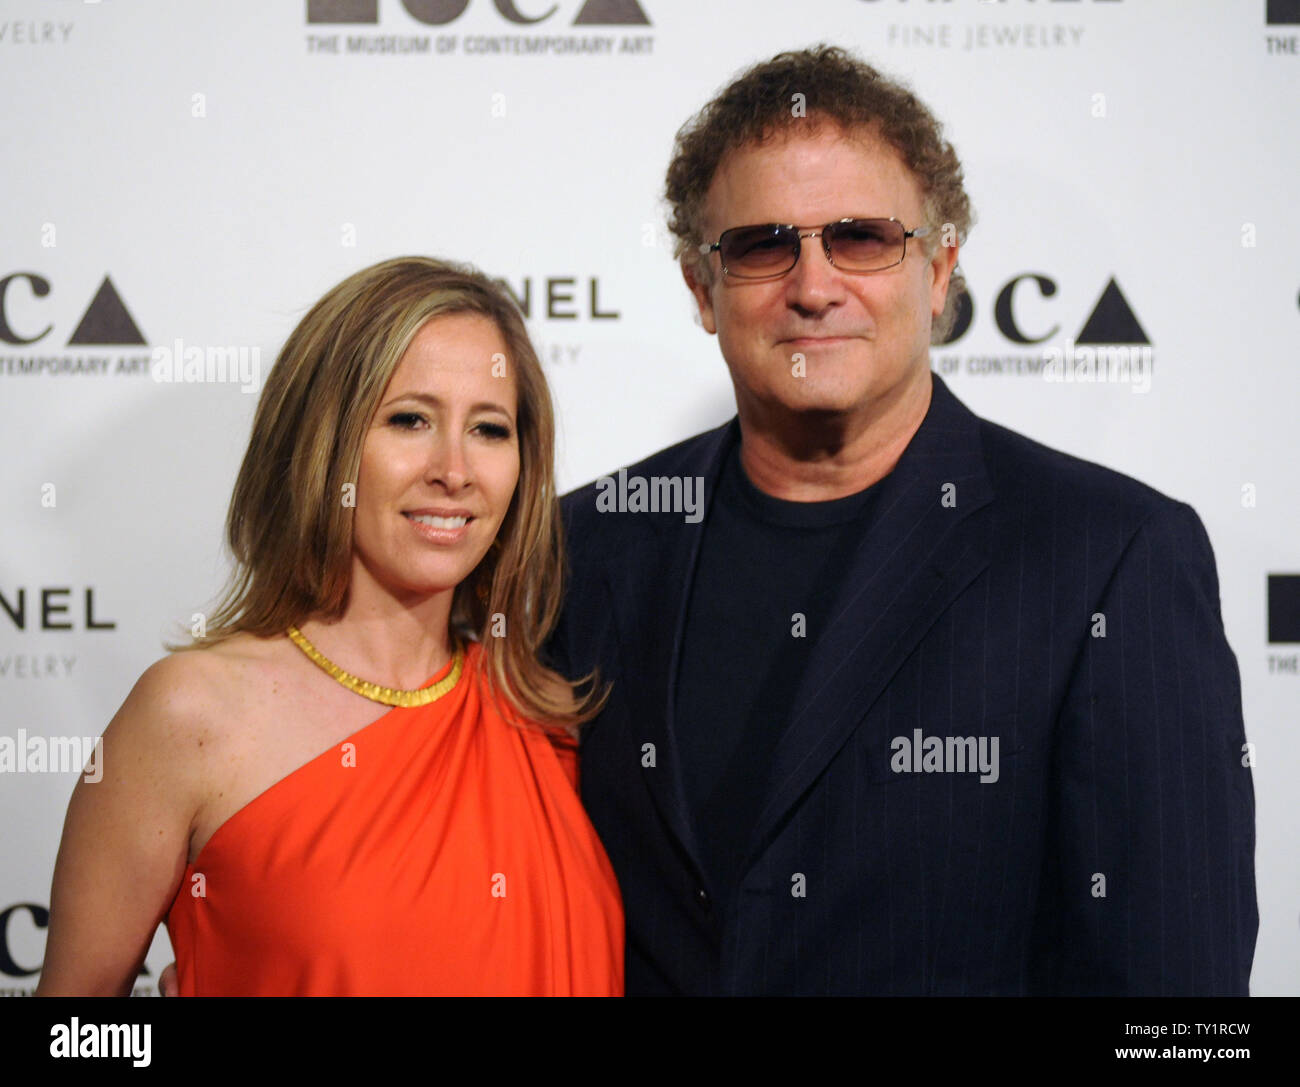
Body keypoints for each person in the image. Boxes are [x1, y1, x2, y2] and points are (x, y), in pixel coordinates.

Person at [550, 46, 1258, 996]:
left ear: (939, 271)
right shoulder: (585, 543)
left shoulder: (1109, 557)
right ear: (700, 291)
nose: (812, 285)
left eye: (862, 238)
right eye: (762, 245)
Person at [37, 256, 623, 996]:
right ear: (323, 442)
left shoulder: (550, 716)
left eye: (489, 428)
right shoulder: (190, 716)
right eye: (409, 419)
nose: (454, 468)